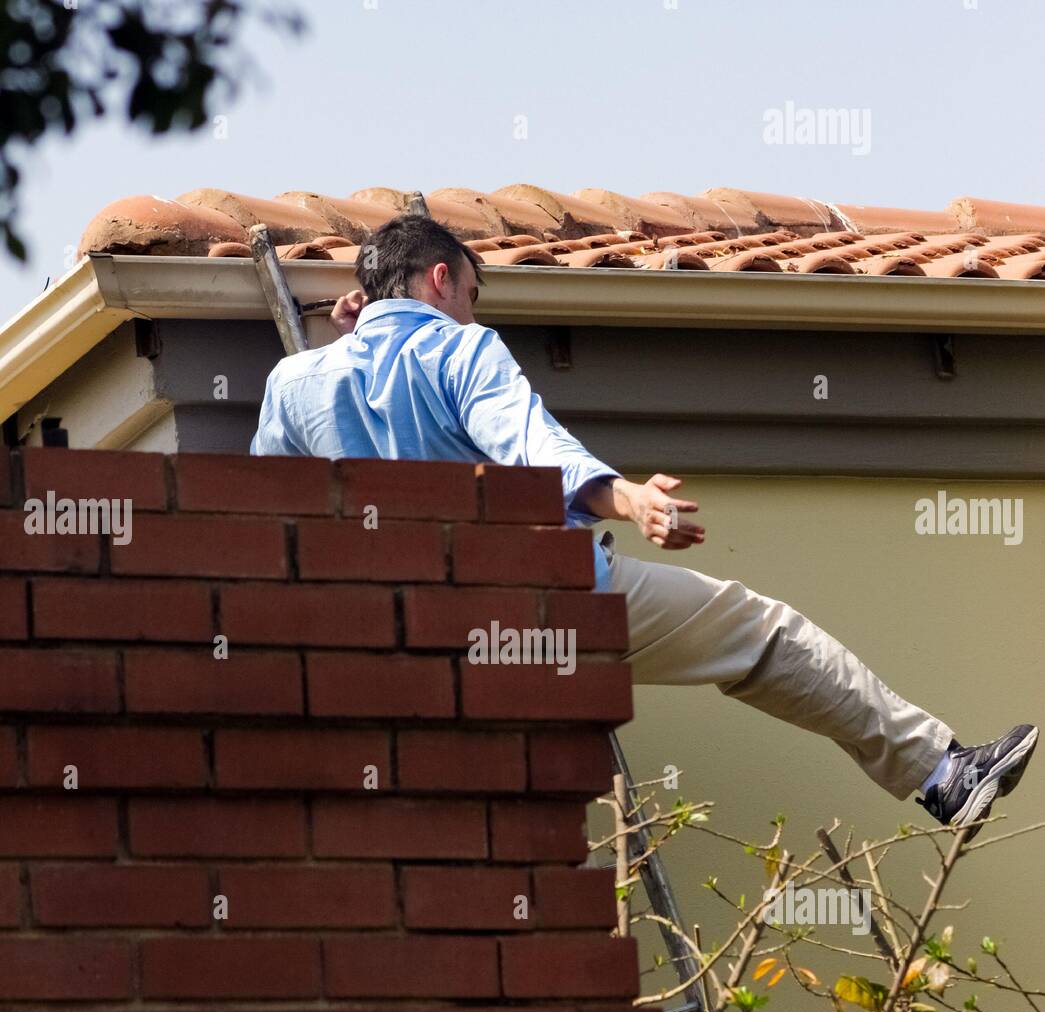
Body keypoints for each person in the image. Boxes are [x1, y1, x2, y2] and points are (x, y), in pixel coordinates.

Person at [252, 215, 1037, 841]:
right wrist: (626, 499)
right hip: (533, 603)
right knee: (762, 636)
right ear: (439, 278)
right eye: (470, 293)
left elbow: (264, 510)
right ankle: (940, 775)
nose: (469, 310)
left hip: (388, 638)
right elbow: (531, 446)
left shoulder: (294, 381)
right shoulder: (460, 346)